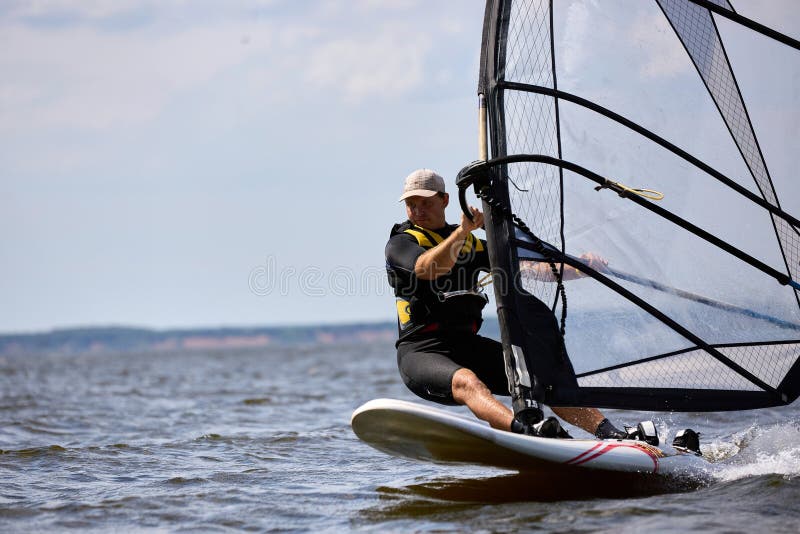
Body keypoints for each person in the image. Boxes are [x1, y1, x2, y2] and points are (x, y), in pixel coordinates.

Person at [384, 168, 630, 439]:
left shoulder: (471, 245)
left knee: (539, 377)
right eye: (411, 205)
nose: (417, 211)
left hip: (467, 346)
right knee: (468, 381)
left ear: (445, 200)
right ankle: (525, 432)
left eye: (425, 203)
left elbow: (532, 268)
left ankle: (611, 433)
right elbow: (430, 268)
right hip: (422, 352)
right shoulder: (401, 243)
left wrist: (581, 266)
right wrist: (463, 232)